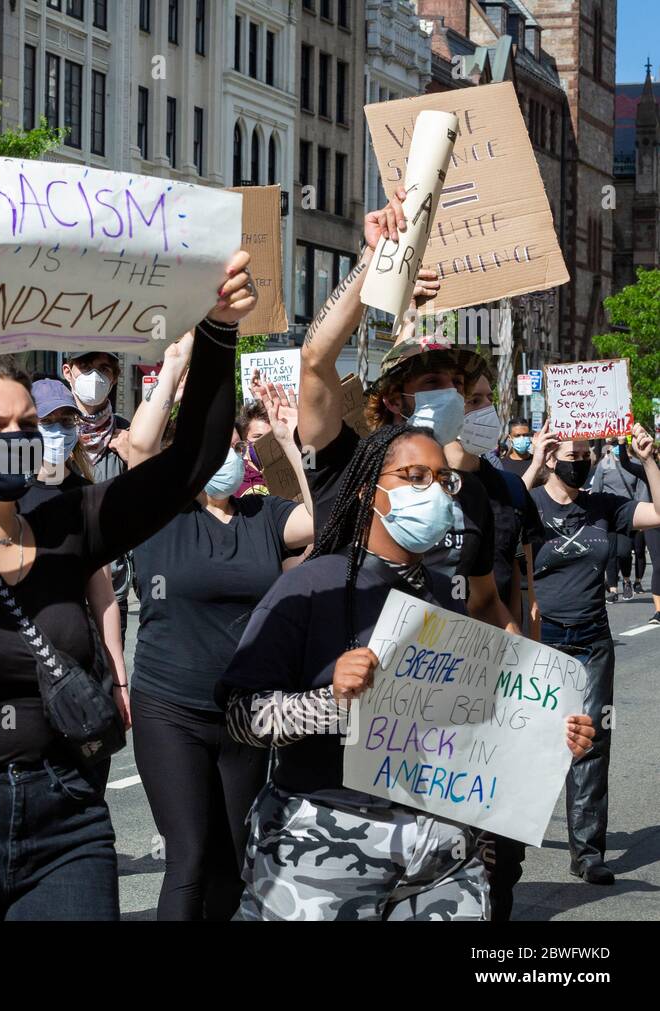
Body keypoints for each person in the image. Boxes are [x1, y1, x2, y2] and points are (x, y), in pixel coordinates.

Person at [0, 240, 255, 920]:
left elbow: (194, 457)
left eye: (27, 425)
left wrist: (217, 331)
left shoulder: (70, 521)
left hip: (66, 815)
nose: (14, 435)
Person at [216, 425, 596, 920]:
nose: (433, 491)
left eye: (443, 480)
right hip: (327, 841)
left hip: (443, 852)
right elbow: (243, 716)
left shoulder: (448, 596)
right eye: (414, 477)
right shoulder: (311, 587)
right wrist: (330, 701)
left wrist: (549, 733)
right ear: (366, 491)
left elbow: (480, 718)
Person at [125, 332, 313, 920]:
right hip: (169, 710)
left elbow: (326, 520)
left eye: (237, 445)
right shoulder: (161, 511)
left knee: (230, 862)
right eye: (215, 445)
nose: (229, 455)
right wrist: (174, 369)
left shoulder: (263, 514)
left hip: (245, 714)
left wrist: (289, 441)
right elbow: (137, 448)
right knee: (188, 855)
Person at [296, 190, 518, 636]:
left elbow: (487, 601)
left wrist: (533, 688)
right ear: (396, 400)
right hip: (348, 683)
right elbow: (316, 360)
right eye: (434, 384)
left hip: (438, 690)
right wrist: (373, 262)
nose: (452, 395)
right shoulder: (348, 467)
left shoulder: (469, 494)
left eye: (456, 385)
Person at [522, 424, 660, 885]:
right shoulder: (530, 505)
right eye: (571, 453)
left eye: (586, 452)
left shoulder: (603, 506)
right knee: (527, 741)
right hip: (540, 641)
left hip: (592, 641)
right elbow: (500, 523)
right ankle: (506, 835)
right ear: (552, 456)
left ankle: (588, 852)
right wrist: (533, 468)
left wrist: (648, 460)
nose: (579, 460)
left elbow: (659, 513)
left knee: (591, 741)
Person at [447, 373, 543, 921]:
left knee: (501, 851)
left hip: (499, 676)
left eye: (486, 401)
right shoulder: (413, 482)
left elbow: (516, 585)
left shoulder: (507, 488)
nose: (482, 412)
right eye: (471, 402)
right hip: (426, 687)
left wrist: (538, 677)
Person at [20, 378, 131, 728]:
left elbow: (104, 599)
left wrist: (119, 681)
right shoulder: (8, 498)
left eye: (67, 421)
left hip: (80, 669)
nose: (59, 430)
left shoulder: (88, 498)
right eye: (48, 422)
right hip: (21, 667)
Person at [60, 349, 135, 644]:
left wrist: (136, 460)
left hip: (113, 590)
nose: (95, 376)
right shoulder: (53, 434)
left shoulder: (131, 435)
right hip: (64, 590)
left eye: (104, 368)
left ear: (115, 377)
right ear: (68, 372)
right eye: (86, 366)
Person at [591, 435, 651, 602]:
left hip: (627, 513)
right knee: (609, 553)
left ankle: (626, 580)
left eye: (619, 443)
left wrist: (641, 515)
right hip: (606, 514)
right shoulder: (604, 464)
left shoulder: (634, 464)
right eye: (614, 444)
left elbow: (641, 490)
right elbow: (597, 489)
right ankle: (612, 589)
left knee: (624, 552)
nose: (616, 446)